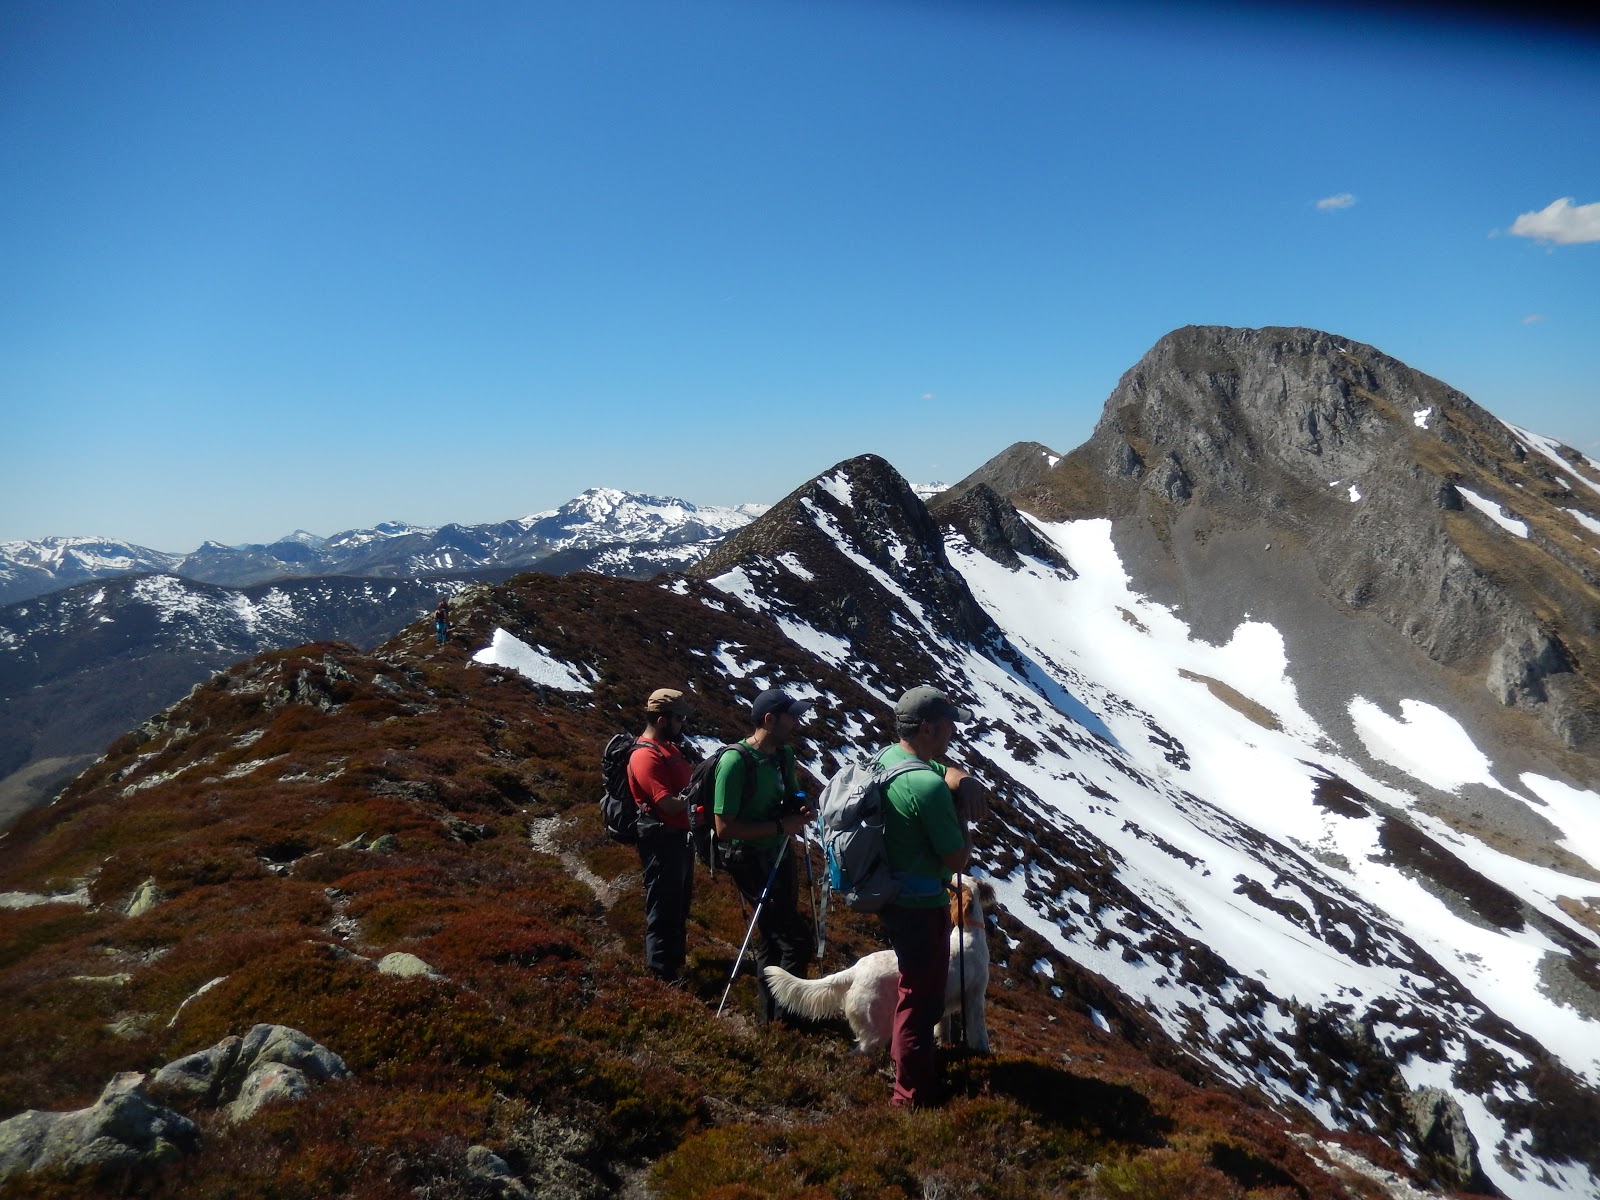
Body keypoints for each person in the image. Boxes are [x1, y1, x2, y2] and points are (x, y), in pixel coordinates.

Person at [877, 685, 991, 1107]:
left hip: (894, 894)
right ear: (927, 728)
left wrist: (965, 779)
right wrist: (963, 821)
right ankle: (912, 1095)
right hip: (921, 905)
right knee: (921, 1002)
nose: (952, 732)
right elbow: (957, 858)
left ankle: (908, 1069)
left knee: (915, 990)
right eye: (947, 726)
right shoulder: (926, 787)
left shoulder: (891, 758)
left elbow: (944, 768)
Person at [713, 687, 815, 1022]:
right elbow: (724, 828)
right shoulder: (735, 762)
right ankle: (788, 1021)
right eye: (790, 717)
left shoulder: (783, 754)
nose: (796, 723)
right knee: (794, 940)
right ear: (770, 720)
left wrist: (800, 803)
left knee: (773, 936)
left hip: (777, 852)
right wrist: (780, 826)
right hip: (748, 858)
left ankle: (768, 1019)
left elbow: (793, 790)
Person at [628, 688, 699, 983]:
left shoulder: (669, 749)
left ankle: (673, 968)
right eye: (679, 718)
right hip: (662, 842)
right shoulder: (645, 755)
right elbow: (667, 804)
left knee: (677, 908)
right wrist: (696, 793)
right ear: (661, 720)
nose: (683, 724)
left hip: (678, 840)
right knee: (663, 908)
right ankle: (660, 974)